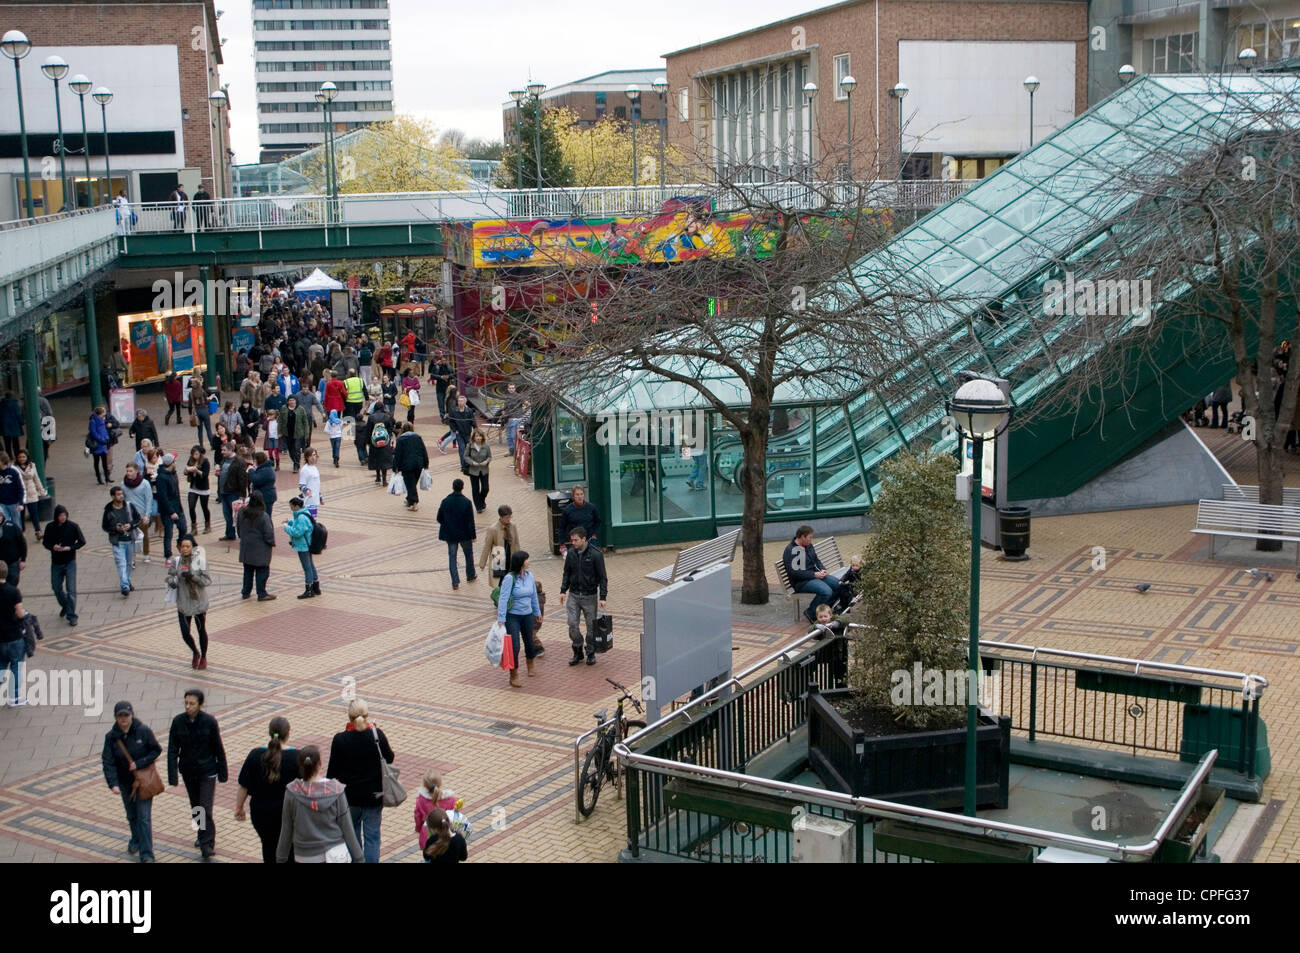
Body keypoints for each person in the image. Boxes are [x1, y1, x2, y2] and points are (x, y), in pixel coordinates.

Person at [327, 699, 395, 864]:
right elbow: (390, 758)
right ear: (366, 716)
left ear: (349, 717)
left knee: (352, 835)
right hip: (374, 796)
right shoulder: (376, 735)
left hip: (349, 799)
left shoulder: (340, 740)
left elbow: (331, 773)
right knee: (373, 837)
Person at [167, 688, 228, 860]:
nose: (188, 706)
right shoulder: (178, 722)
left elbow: (218, 748)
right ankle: (201, 835)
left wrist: (222, 772)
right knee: (196, 807)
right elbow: (172, 750)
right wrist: (173, 776)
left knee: (205, 807)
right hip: (188, 771)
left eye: (192, 703)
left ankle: (207, 844)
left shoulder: (209, 722)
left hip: (207, 771)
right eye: (186, 703)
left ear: (200, 704)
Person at [277, 744, 362, 863]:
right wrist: (359, 857)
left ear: (300, 765)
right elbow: (347, 827)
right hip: (335, 854)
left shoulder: (292, 791)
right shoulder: (336, 790)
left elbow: (286, 828)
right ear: (319, 764)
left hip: (305, 856)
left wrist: (281, 858)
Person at [102, 701, 162, 863]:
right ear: (115, 718)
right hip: (124, 783)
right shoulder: (111, 737)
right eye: (120, 716)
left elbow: (156, 749)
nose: (123, 719)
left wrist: (139, 763)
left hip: (143, 782)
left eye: (126, 715)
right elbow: (108, 761)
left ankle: (147, 854)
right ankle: (135, 839)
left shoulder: (143, 731)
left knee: (143, 817)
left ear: (132, 715)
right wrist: (113, 783)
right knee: (132, 815)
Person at [235, 716, 299, 864]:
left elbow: (243, 786)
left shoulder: (255, 755)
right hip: (289, 814)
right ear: (288, 733)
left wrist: (239, 808)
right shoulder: (297, 757)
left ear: (269, 733)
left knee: (268, 847)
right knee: (290, 851)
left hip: (261, 813)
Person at [560, 526, 607, 666]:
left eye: (576, 540)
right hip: (573, 595)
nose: (573, 543)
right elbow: (566, 573)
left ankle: (591, 652)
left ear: (584, 539)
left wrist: (603, 597)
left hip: (590, 596)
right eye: (572, 540)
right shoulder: (571, 554)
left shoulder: (596, 555)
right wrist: (563, 590)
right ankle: (577, 649)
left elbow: (602, 577)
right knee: (572, 623)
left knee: (591, 626)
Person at [167, 534, 212, 669]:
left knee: (200, 630)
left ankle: (203, 656)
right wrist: (172, 582)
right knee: (185, 632)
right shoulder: (176, 561)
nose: (184, 549)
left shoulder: (200, 561)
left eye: (187, 546)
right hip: (183, 602)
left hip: (198, 601)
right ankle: (195, 652)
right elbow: (170, 576)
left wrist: (193, 577)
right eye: (182, 546)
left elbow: (207, 581)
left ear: (193, 547)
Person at [497, 550, 541, 687]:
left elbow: (534, 596)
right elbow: (503, 599)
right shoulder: (510, 578)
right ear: (520, 562)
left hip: (527, 615)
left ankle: (530, 664)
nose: (529, 562)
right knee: (514, 645)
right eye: (527, 559)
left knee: (529, 641)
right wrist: (501, 618)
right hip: (513, 617)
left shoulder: (530, 576)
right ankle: (513, 674)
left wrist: (537, 612)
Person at [783, 525, 834, 624]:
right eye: (809, 537)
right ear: (802, 537)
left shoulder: (808, 546)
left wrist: (823, 570)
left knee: (837, 584)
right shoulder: (791, 551)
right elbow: (795, 573)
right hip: (801, 582)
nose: (811, 540)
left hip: (814, 576)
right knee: (826, 591)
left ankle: (827, 611)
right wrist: (814, 575)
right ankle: (811, 613)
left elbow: (816, 560)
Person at [43, 505, 85, 627]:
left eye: (64, 515)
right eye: (60, 516)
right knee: (56, 587)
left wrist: (70, 548)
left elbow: (82, 541)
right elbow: (45, 542)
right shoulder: (50, 527)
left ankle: (72, 615)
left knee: (71, 589)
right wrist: (52, 547)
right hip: (56, 562)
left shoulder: (73, 526)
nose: (63, 518)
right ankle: (65, 605)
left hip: (70, 561)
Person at [436, 478, 476, 590]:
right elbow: (470, 521)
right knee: (468, 555)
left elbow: (439, 518)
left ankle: (455, 582)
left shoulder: (445, 501)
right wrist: (473, 535)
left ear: (452, 487)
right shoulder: (467, 502)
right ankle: (470, 575)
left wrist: (448, 525)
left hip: (450, 534)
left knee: (452, 557)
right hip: (464, 534)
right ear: (462, 487)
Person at [237, 489, 277, 601]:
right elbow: (268, 533)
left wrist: (243, 538)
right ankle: (261, 593)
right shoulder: (263, 516)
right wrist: (271, 543)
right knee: (262, 571)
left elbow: (238, 529)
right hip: (260, 549)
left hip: (246, 548)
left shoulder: (242, 512)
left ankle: (245, 592)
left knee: (248, 571)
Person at [102, 485, 140, 597]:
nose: (121, 496)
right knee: (121, 563)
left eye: (122, 494)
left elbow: (138, 519)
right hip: (117, 541)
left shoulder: (129, 506)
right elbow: (105, 526)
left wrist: (131, 525)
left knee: (129, 563)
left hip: (129, 539)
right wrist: (115, 529)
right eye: (118, 494)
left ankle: (127, 581)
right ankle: (124, 586)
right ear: (113, 496)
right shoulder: (108, 510)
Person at [285, 496, 320, 600]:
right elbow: (300, 526)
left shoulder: (301, 517)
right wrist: (290, 522)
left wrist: (286, 527)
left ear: (296, 506)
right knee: (311, 565)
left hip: (303, 546)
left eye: (291, 506)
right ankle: (316, 587)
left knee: (307, 567)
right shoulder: (305, 513)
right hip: (308, 544)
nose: (290, 508)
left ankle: (309, 590)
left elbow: (297, 532)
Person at [154, 452, 187, 560]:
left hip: (178, 507)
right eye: (174, 461)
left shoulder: (173, 473)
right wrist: (171, 512)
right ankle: (168, 555)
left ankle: (179, 544)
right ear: (170, 463)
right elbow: (163, 497)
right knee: (168, 533)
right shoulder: (161, 478)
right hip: (167, 510)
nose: (175, 463)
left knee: (183, 528)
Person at [479, 504, 520, 585]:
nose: (509, 520)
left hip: (510, 557)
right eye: (506, 518)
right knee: (499, 583)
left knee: (511, 580)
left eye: (510, 517)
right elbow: (487, 546)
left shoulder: (513, 526)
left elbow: (516, 543)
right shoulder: (493, 529)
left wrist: (519, 559)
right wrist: (482, 563)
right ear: (501, 517)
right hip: (498, 558)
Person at [393, 421, 428, 511]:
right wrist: (426, 463)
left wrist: (395, 467)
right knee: (412, 483)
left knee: (410, 483)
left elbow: (398, 454)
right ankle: (409, 499)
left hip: (407, 465)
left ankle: (414, 502)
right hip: (418, 464)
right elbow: (423, 450)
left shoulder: (401, 439)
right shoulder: (418, 437)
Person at [0, 576, 25, 704]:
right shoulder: (13, 591)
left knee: (1, 664)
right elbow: (20, 613)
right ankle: (14, 698)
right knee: (16, 666)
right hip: (14, 635)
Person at [216, 444, 246, 541]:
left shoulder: (239, 461)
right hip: (223, 492)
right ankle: (230, 534)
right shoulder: (224, 460)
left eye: (224, 450)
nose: (222, 452)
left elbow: (242, 479)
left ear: (230, 450)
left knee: (236, 516)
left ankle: (241, 535)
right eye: (222, 450)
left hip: (233, 492)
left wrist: (242, 494)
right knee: (227, 515)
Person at [559, 485, 602, 552]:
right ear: (573, 496)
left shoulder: (591, 507)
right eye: (577, 494)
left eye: (581, 494)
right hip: (575, 541)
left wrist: (594, 534)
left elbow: (598, 522)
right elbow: (561, 527)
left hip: (590, 540)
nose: (580, 497)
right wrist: (562, 544)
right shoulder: (567, 510)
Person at [14, 449, 44, 539]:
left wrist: (41, 490)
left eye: (23, 456)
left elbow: (36, 478)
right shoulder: (14, 468)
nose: (22, 458)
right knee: (21, 515)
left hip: (32, 493)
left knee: (34, 513)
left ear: (27, 457)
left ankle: (38, 531)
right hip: (20, 494)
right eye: (19, 457)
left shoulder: (32, 466)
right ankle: (22, 531)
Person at [183, 445, 212, 535]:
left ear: (200, 453)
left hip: (203, 487)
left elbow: (205, 475)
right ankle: (194, 527)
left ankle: (207, 525)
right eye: (193, 454)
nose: (194, 456)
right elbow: (185, 472)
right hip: (193, 487)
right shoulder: (191, 460)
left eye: (196, 454)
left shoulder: (205, 461)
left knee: (204, 507)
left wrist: (197, 471)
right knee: (191, 507)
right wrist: (187, 470)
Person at [365, 402, 396, 486]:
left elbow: (368, 430)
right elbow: (390, 429)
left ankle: (378, 477)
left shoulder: (371, 417)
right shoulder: (387, 416)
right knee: (384, 461)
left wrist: (368, 441)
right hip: (385, 442)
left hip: (374, 442)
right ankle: (384, 480)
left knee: (376, 459)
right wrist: (388, 438)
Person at [464, 428, 492, 513]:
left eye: (480, 436)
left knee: (485, 488)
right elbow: (465, 456)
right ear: (473, 437)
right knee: (475, 489)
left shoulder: (486, 446)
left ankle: (481, 500)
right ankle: (478, 507)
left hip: (484, 470)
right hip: (474, 470)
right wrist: (472, 462)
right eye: (476, 436)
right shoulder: (470, 446)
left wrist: (486, 461)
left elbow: (489, 456)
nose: (478, 438)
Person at [447, 393, 476, 467]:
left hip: (467, 432)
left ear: (465, 402)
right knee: (461, 449)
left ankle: (469, 463)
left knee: (468, 448)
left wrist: (475, 428)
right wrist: (454, 430)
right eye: (459, 401)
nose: (460, 403)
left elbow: (472, 420)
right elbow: (451, 421)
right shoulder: (454, 411)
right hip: (459, 433)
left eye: (461, 401)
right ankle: (463, 465)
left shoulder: (469, 411)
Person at [250, 449, 278, 518]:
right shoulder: (264, 468)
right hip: (265, 496)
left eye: (255, 460)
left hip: (266, 497)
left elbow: (256, 480)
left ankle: (268, 528)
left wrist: (251, 471)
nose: (254, 462)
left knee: (266, 517)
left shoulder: (266, 470)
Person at [0, 507, 24, 588]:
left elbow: (22, 543)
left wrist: (23, 559)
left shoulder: (12, 527)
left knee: (12, 585)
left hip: (12, 563)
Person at [87, 406, 112, 484]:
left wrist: (106, 438)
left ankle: (107, 477)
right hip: (97, 445)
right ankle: (99, 478)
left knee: (104, 462)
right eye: (103, 414)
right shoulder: (93, 422)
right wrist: (102, 439)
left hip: (103, 444)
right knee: (96, 462)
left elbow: (104, 430)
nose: (104, 416)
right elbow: (94, 433)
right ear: (99, 414)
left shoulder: (102, 420)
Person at [0, 452, 24, 530]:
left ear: (3, 461)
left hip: (14, 503)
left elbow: (20, 488)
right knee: (4, 523)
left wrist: (20, 503)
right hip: (2, 503)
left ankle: (18, 539)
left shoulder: (13, 472)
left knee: (16, 523)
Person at [298, 448, 322, 517]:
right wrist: (307, 491)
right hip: (308, 501)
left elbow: (317, 485)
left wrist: (320, 497)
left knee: (313, 520)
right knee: (310, 521)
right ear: (307, 457)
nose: (313, 457)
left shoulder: (314, 468)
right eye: (311, 456)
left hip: (315, 500)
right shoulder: (305, 470)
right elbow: (301, 485)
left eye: (314, 455)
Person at [503, 382, 525, 455]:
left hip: (516, 418)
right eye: (510, 388)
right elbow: (505, 407)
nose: (511, 389)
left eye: (512, 388)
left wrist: (522, 413)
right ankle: (511, 451)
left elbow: (527, 403)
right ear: (508, 389)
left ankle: (517, 451)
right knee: (509, 436)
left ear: (515, 389)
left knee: (514, 436)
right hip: (508, 418)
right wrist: (503, 413)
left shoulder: (519, 396)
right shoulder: (507, 397)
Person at [429, 353, 453, 418]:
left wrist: (448, 377)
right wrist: (441, 377)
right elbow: (432, 376)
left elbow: (453, 375)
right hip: (439, 389)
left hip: (447, 388)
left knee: (448, 403)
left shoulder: (449, 367)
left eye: (445, 360)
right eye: (442, 360)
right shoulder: (437, 367)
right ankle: (442, 417)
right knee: (441, 404)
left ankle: (448, 416)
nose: (444, 362)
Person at [0, 393, 23, 459]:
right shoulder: (15, 404)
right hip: (14, 425)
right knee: (15, 443)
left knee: (7, 443)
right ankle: (17, 455)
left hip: (5, 427)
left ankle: (9, 456)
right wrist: (21, 422)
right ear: (12, 396)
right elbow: (18, 414)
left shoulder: (2, 403)